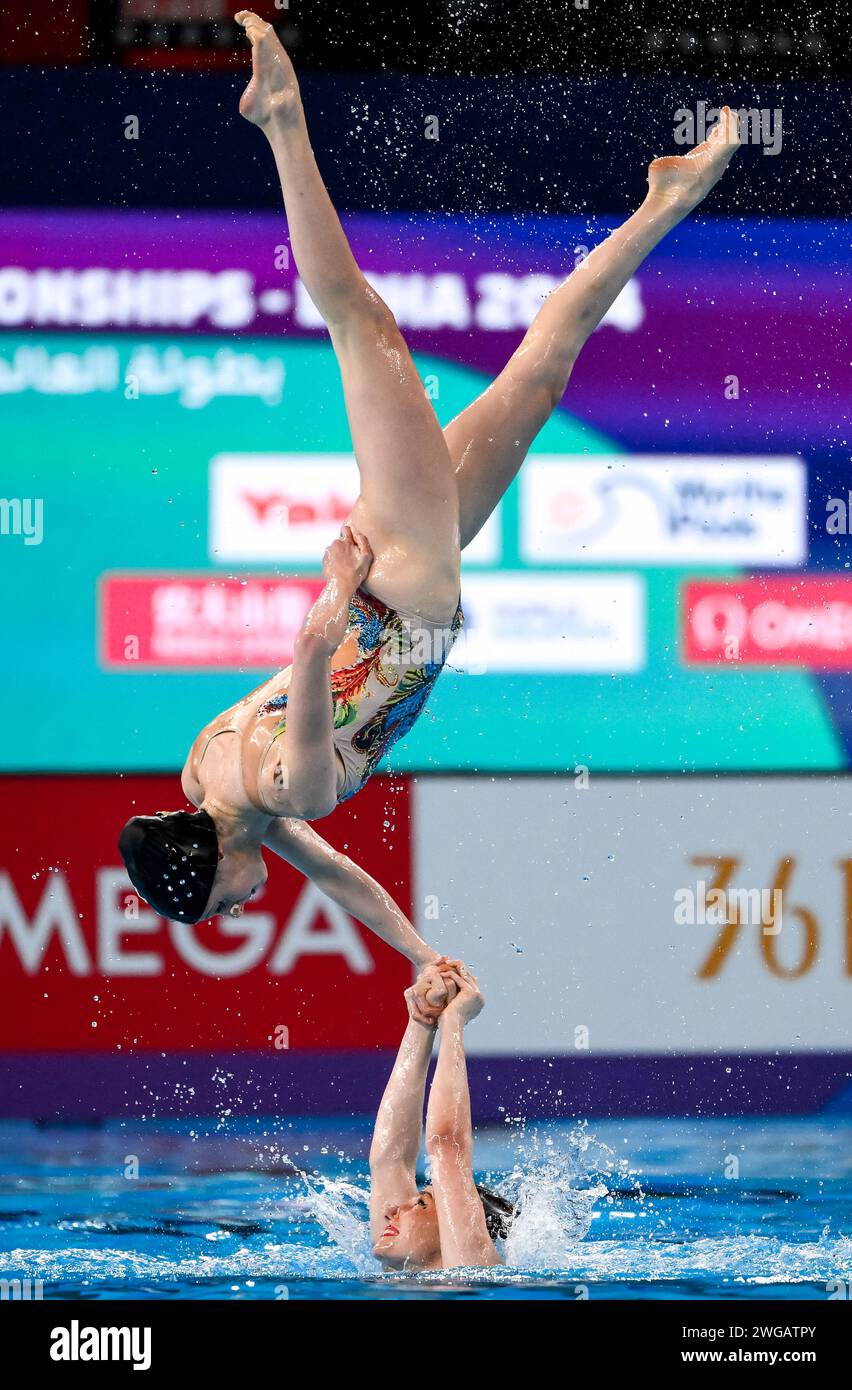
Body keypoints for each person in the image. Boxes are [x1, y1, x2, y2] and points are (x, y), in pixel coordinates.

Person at [119, 11, 741, 970]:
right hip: (404, 583)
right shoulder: (215, 778)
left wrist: (334, 582)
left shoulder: (298, 794)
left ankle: (282, 119)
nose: (238, 913)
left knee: (362, 320)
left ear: (216, 863)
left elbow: (314, 650)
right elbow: (341, 880)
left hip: (400, 578)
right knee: (540, 376)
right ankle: (664, 202)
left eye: (219, 909)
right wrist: (418, 952)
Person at [370, 961, 512, 1270]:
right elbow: (390, 1158)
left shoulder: (473, 1269)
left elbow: (448, 1146)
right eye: (420, 1201)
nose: (394, 1208)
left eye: (421, 1202)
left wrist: (455, 1020)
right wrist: (422, 1021)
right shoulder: (410, 1273)